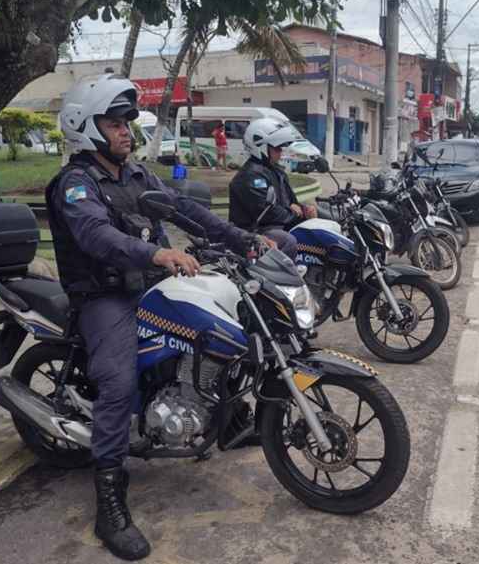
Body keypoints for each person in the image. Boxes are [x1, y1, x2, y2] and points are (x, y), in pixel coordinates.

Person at [46, 74, 274, 561]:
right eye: (114, 122)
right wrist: (155, 256)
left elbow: (188, 211)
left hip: (149, 285)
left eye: (127, 121)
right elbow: (95, 237)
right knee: (117, 381)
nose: (126, 130)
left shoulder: (137, 175)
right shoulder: (76, 184)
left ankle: (228, 418)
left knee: (221, 326)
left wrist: (243, 240)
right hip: (104, 297)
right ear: (86, 127)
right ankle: (110, 504)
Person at [228, 118, 315, 257]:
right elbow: (267, 212)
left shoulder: (275, 171)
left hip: (276, 224)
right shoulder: (250, 176)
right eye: (276, 148)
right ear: (260, 146)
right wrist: (295, 213)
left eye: (281, 147)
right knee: (288, 241)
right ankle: (281, 277)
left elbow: (291, 202)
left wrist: (305, 210)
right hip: (254, 231)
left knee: (320, 226)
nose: (280, 152)